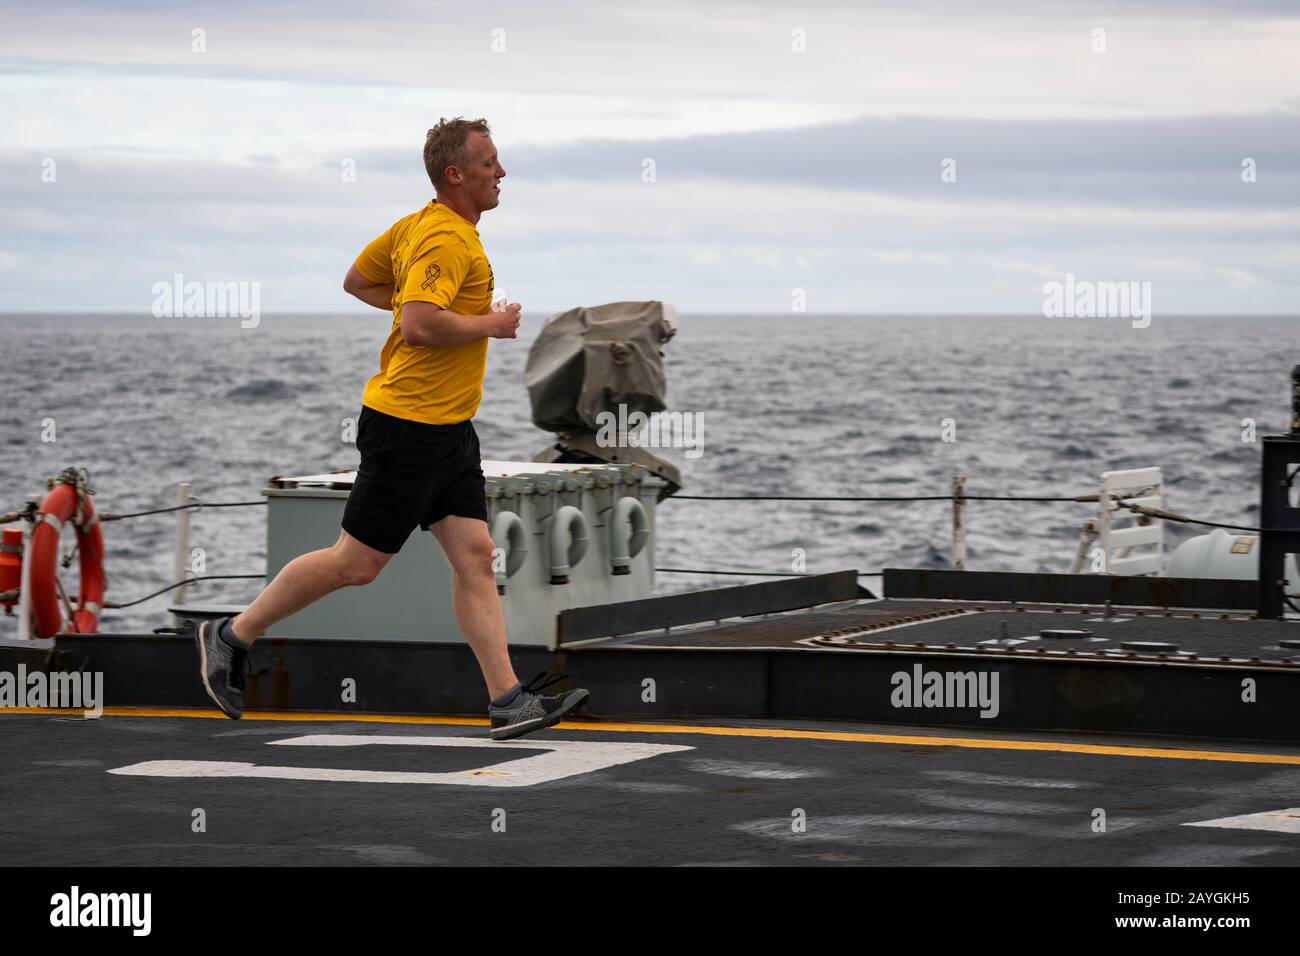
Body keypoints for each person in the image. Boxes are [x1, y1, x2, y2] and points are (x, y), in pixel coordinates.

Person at [192, 117, 588, 741]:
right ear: (456, 174)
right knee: (356, 564)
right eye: (490, 162)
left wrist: (427, 306)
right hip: (409, 427)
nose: (501, 172)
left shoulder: (417, 226)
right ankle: (231, 634)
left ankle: (507, 699)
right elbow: (419, 327)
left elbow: (359, 282)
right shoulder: (443, 240)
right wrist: (487, 323)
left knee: (477, 558)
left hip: (450, 430)